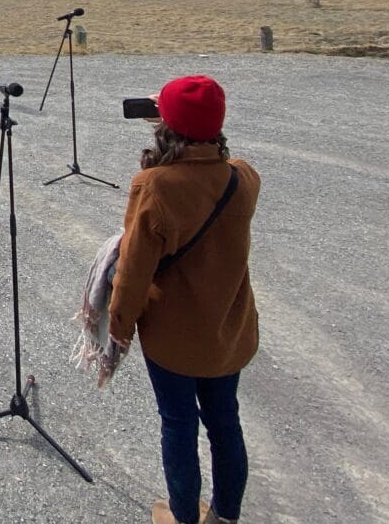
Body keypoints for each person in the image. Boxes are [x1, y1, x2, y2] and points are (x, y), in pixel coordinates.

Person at [108, 76, 260, 524]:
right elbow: (218, 163)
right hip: (228, 333)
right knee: (225, 422)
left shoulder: (155, 185)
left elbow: (133, 272)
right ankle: (226, 516)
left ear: (166, 126)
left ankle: (183, 517)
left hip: (173, 341)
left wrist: (118, 328)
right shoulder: (243, 179)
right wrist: (189, 122)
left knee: (178, 426)